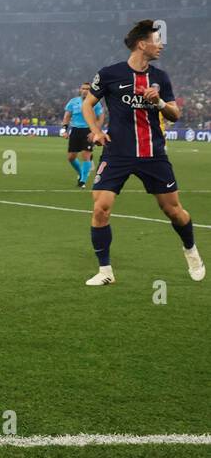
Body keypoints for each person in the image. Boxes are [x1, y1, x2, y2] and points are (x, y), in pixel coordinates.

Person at [80, 19, 204, 285]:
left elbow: (175, 114)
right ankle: (105, 272)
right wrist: (96, 131)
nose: (161, 45)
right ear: (141, 44)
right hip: (117, 154)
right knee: (101, 207)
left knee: (173, 210)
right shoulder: (110, 73)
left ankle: (191, 250)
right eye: (157, 40)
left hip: (153, 154)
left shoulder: (160, 78)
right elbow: (88, 104)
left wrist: (158, 101)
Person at [60, 83, 102, 188]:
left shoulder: (95, 102)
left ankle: (82, 181)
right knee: (71, 157)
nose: (85, 90)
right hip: (75, 130)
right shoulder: (73, 102)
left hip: (88, 130)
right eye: (83, 88)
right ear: (80, 90)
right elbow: (67, 116)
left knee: (85, 155)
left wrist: (95, 131)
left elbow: (100, 118)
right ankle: (81, 173)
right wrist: (64, 129)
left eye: (87, 89)